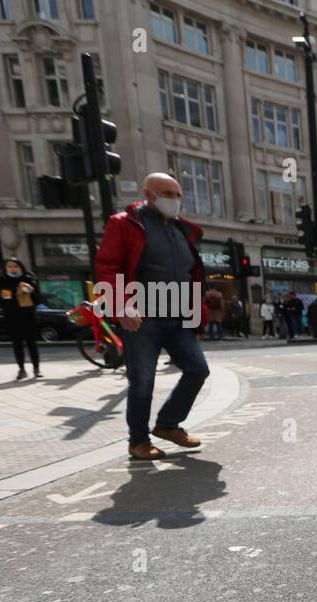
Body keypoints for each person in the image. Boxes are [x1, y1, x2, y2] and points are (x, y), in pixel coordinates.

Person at [95, 171, 209, 461]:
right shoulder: (124, 224)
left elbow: (192, 274)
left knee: (198, 369)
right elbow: (107, 267)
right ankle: (138, 441)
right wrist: (121, 307)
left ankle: (168, 424)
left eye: (178, 194)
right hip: (142, 315)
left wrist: (198, 312)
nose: (175, 200)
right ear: (149, 194)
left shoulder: (183, 229)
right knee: (142, 379)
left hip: (179, 314)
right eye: (167, 193)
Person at [0, 257, 43, 379]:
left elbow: (38, 299)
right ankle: (21, 369)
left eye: (15, 266)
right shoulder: (2, 280)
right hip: (12, 316)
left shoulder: (29, 278)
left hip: (28, 315)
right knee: (17, 344)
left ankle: (36, 369)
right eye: (9, 266)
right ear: (5, 268)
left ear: (20, 267)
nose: (13, 269)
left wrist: (31, 291)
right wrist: (2, 296)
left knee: (32, 343)